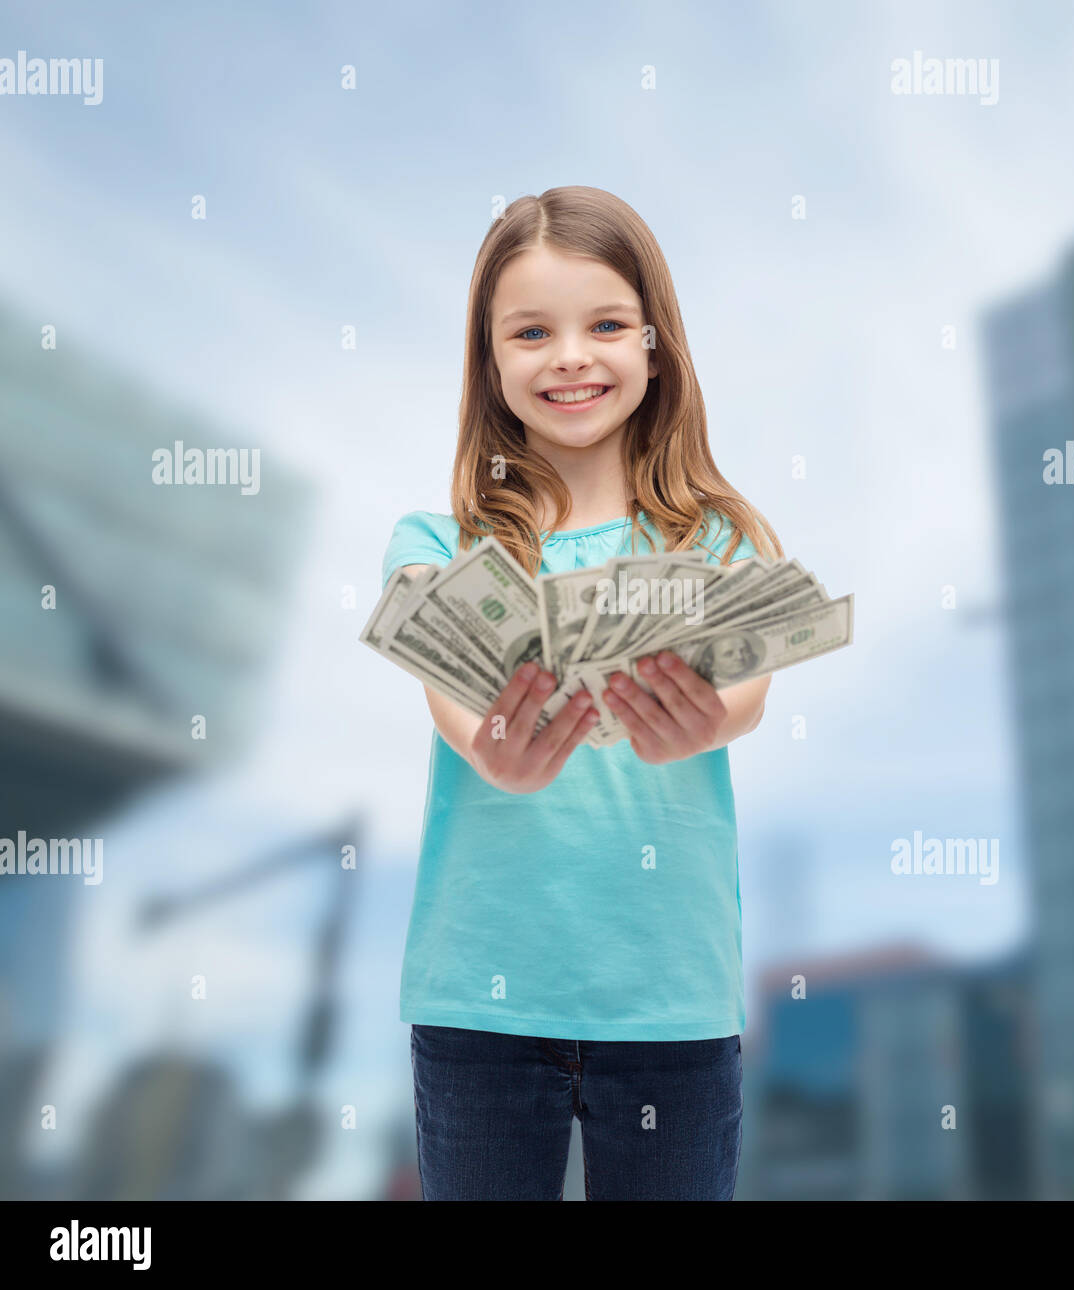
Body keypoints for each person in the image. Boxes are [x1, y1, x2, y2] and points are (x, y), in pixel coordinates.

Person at [381, 186, 783, 1201]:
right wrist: (490, 747)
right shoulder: (436, 546)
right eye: (530, 332)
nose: (570, 356)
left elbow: (749, 691)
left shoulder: (720, 542)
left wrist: (702, 719)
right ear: (490, 363)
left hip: (671, 1009)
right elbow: (451, 700)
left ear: (656, 347)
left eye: (605, 324)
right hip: (480, 1001)